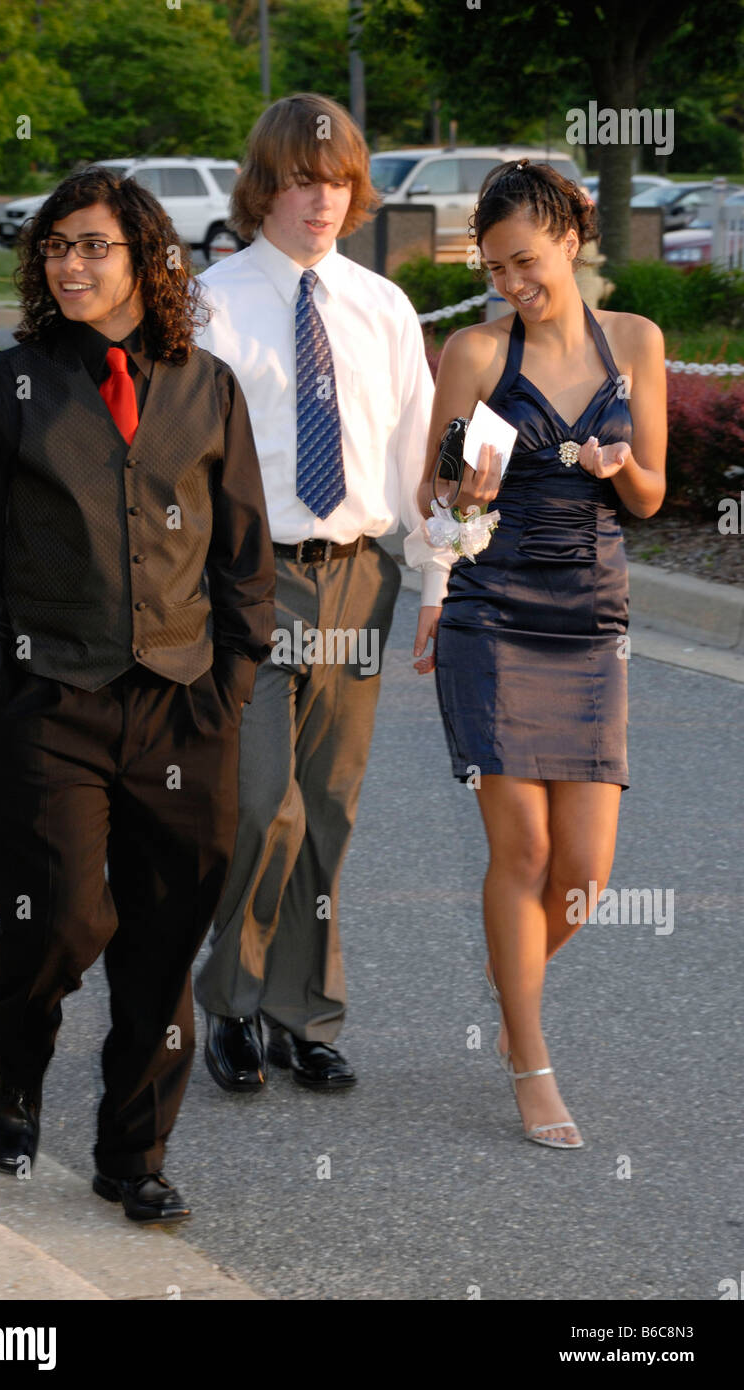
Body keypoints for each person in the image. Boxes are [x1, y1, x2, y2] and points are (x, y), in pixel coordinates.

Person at [0, 166, 275, 1218]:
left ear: (144, 258)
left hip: (183, 703)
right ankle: (19, 1061)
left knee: (163, 942)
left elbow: (243, 552)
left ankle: (134, 1154)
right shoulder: (10, 385)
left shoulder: (204, 386)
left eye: (93, 246)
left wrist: (230, 681)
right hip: (51, 702)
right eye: (55, 247)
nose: (69, 263)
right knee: (60, 921)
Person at [194, 93, 445, 1092]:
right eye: (302, 178)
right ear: (264, 182)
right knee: (263, 806)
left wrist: (434, 577)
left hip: (355, 578)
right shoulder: (211, 301)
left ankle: (302, 1013)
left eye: (337, 179)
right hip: (246, 583)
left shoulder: (382, 306)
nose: (322, 199)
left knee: (328, 806)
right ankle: (227, 1002)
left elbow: (415, 453)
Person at [419, 159, 666, 1148]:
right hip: (493, 617)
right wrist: (462, 491)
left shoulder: (636, 343)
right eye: (492, 268)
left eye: (524, 261)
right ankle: (528, 1059)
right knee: (518, 852)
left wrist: (619, 467)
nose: (510, 282)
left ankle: (508, 971)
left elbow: (649, 497)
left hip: (589, 621)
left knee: (581, 876)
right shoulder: (475, 353)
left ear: (571, 236)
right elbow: (434, 499)